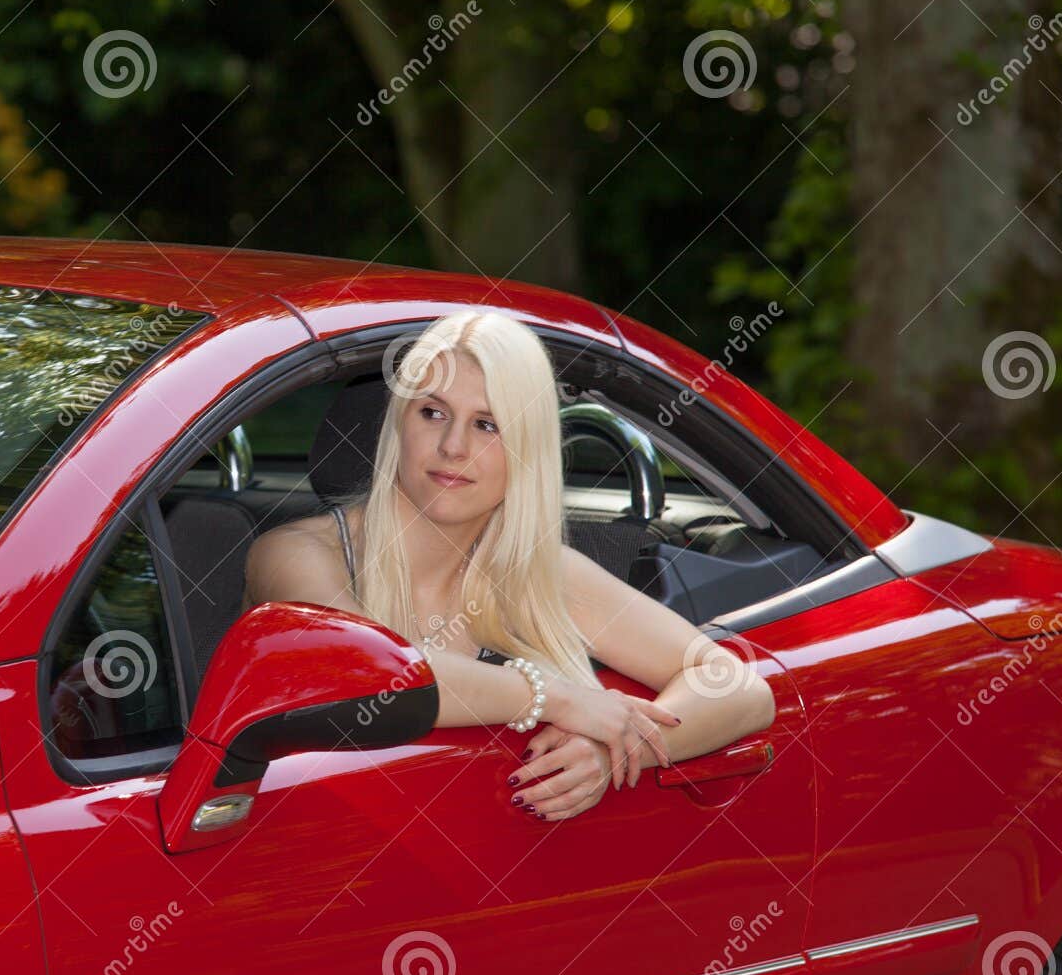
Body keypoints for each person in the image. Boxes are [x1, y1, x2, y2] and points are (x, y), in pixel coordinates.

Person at [241, 309, 776, 821]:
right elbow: (368, 676)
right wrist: (557, 698)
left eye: (487, 425)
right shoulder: (296, 555)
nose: (453, 446)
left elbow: (738, 688)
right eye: (432, 413)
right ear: (397, 427)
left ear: (527, 450)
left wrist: (613, 747)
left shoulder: (540, 573)